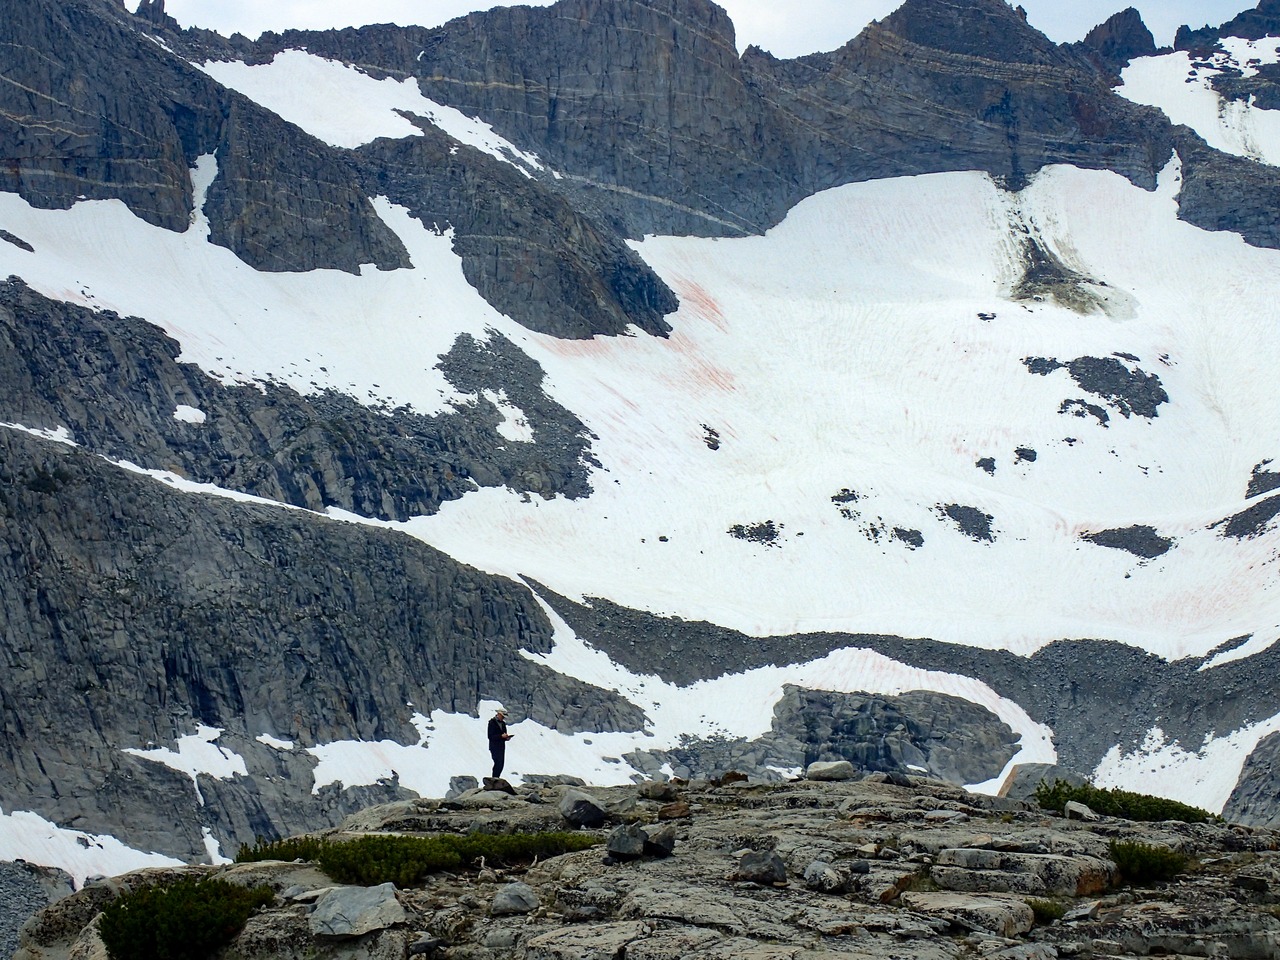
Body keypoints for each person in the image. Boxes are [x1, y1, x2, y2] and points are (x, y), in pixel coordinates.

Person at [487, 706, 513, 778]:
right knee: (497, 763)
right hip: (494, 746)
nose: (503, 718)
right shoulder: (492, 723)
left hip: (501, 747)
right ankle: (494, 778)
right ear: (498, 714)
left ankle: (496, 778)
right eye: (502, 716)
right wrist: (501, 736)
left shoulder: (503, 724)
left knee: (501, 764)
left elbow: (503, 734)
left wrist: (506, 738)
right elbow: (490, 736)